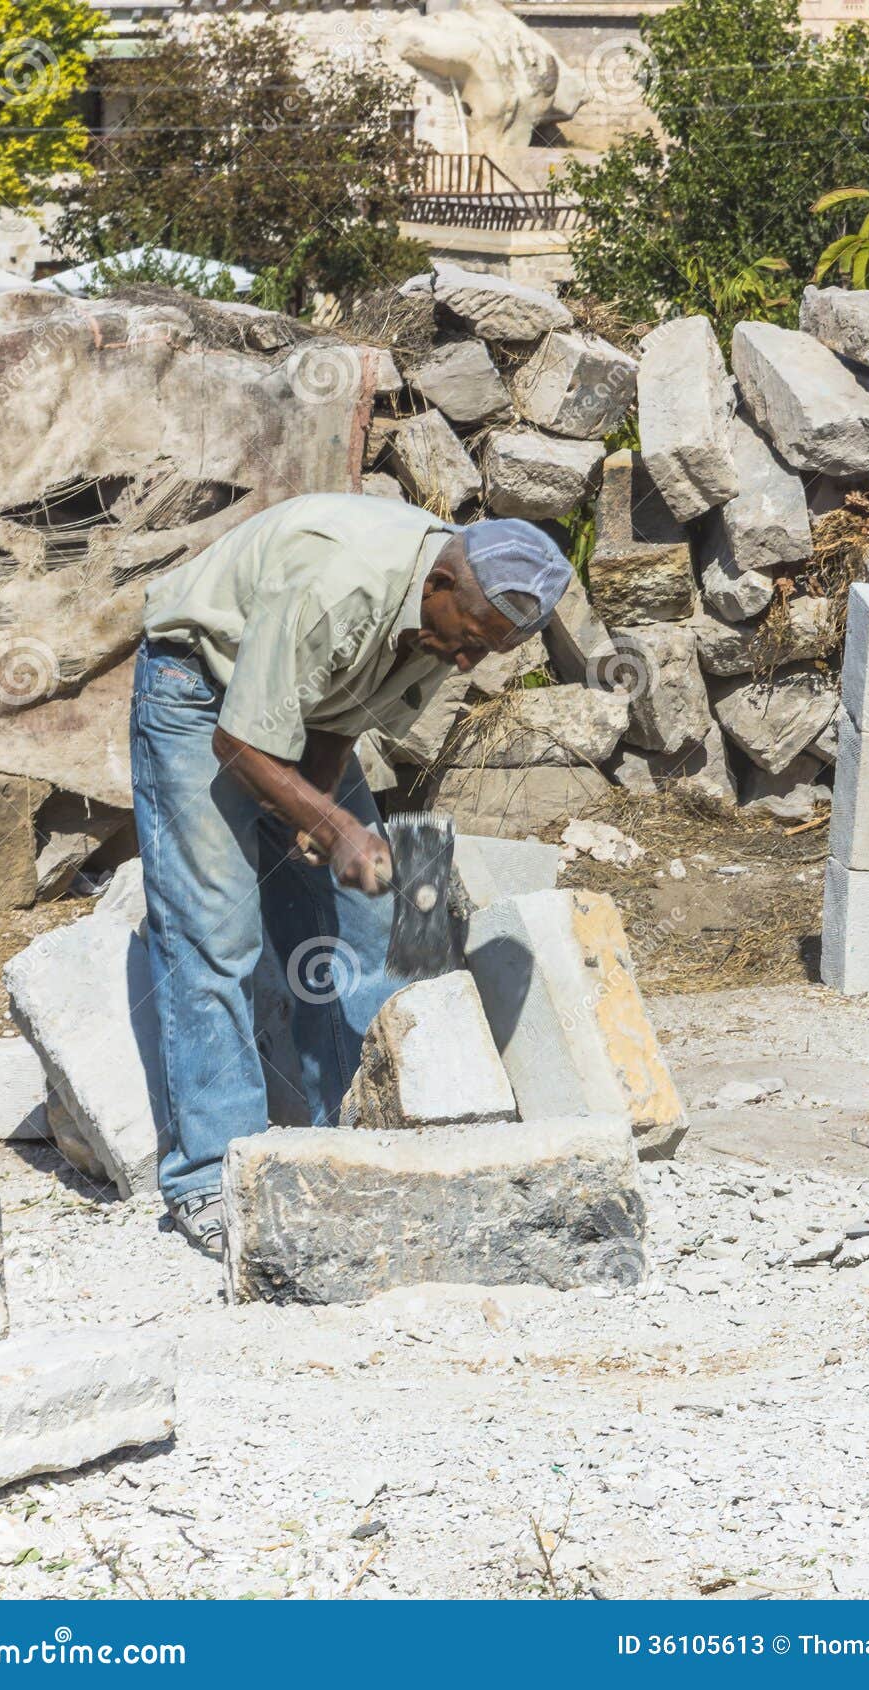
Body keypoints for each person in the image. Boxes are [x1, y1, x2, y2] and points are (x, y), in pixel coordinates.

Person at [131, 490, 572, 1256]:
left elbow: (338, 717)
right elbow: (239, 742)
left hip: (289, 709)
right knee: (215, 933)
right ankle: (213, 1176)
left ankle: (364, 1136)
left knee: (375, 922)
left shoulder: (452, 623)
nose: (467, 662)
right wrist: (332, 826)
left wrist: (318, 814)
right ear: (438, 583)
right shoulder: (336, 583)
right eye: (466, 640)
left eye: (485, 653)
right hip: (199, 694)